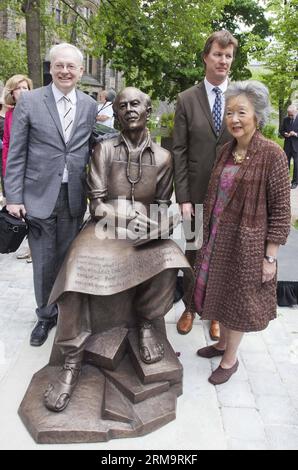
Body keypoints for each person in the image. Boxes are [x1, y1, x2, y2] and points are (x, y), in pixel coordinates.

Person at [43, 86, 190, 412]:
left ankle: (145, 323)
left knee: (170, 257)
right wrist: (130, 217)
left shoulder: (163, 158)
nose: (129, 109)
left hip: (144, 233)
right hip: (104, 228)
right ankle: (72, 359)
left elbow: (163, 206)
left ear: (148, 109)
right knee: (77, 265)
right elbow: (97, 206)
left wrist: (163, 224)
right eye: (122, 105)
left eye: (135, 103)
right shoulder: (104, 150)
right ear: (116, 113)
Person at [195, 80, 291, 385]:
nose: (234, 119)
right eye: (230, 113)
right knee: (220, 292)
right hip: (217, 238)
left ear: (257, 116)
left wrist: (270, 257)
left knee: (237, 300)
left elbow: (281, 211)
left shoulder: (272, 155)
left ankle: (230, 359)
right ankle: (221, 343)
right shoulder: (226, 151)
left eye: (242, 113)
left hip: (247, 245)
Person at [5, 43, 98, 346]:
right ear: (51, 68)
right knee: (44, 262)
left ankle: (67, 314)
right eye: (59, 65)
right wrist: (14, 197)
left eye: (71, 66)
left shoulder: (88, 105)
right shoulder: (30, 102)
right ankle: (45, 317)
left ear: (80, 71)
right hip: (38, 195)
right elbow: (16, 154)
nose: (65, 71)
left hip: (73, 196)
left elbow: (90, 148)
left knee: (68, 259)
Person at [173, 30, 238, 340]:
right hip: (196, 195)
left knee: (221, 253)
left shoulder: (241, 98)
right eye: (217, 54)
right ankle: (189, 307)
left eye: (228, 56)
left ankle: (213, 312)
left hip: (230, 196)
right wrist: (183, 198)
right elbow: (179, 151)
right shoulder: (186, 99)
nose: (223, 60)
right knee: (193, 250)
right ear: (205, 57)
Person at [2, 75, 33, 196]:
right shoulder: (10, 114)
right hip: (15, 169)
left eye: (25, 88)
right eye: (18, 88)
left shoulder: (37, 111)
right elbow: (7, 144)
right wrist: (7, 171)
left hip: (34, 170)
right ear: (12, 93)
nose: (22, 91)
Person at [280, 104, 298, 189]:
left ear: (296, 112)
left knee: (296, 164)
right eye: (289, 114)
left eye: (291, 115)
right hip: (287, 145)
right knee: (285, 163)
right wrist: (285, 134)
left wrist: (295, 134)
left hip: (296, 146)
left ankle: (295, 182)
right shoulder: (285, 119)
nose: (290, 116)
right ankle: (285, 181)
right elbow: (281, 130)